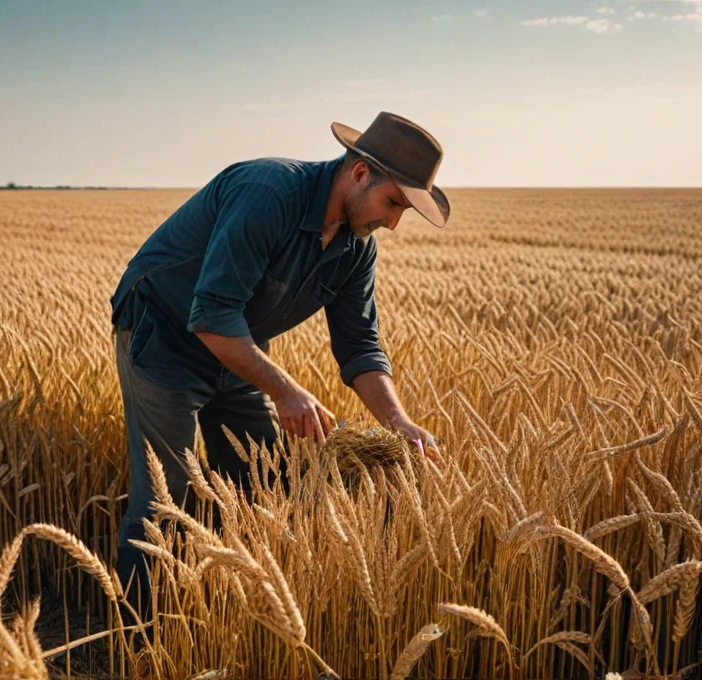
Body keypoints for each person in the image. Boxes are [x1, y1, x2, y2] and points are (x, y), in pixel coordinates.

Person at [108, 111, 451, 624]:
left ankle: (233, 614)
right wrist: (287, 391)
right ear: (360, 174)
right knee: (165, 496)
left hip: (240, 349)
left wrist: (398, 422)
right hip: (165, 336)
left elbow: (359, 345)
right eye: (393, 203)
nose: (393, 221)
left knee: (261, 486)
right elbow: (212, 313)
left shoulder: (356, 250)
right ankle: (138, 639)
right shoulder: (269, 194)